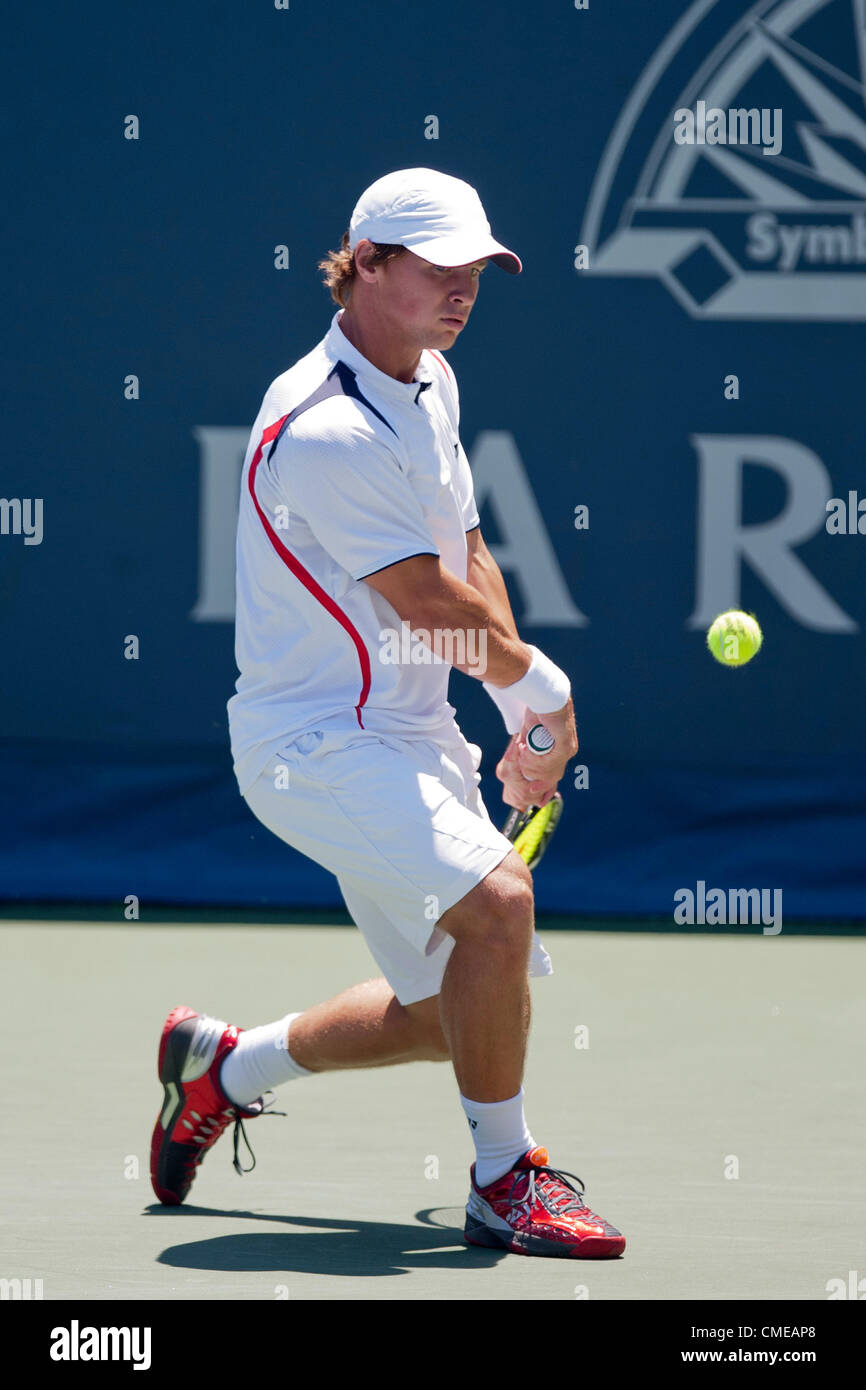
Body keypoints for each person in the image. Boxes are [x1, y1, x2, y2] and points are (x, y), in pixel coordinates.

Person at [150, 168, 625, 1259]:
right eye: (434, 269)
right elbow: (419, 604)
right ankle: (505, 1181)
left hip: (406, 735)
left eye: (475, 272)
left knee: (448, 1007)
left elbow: (460, 550)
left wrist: (523, 715)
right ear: (363, 263)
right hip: (310, 745)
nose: (461, 290)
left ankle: (222, 1067)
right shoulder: (326, 428)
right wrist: (537, 694)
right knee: (498, 908)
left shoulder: (428, 380)